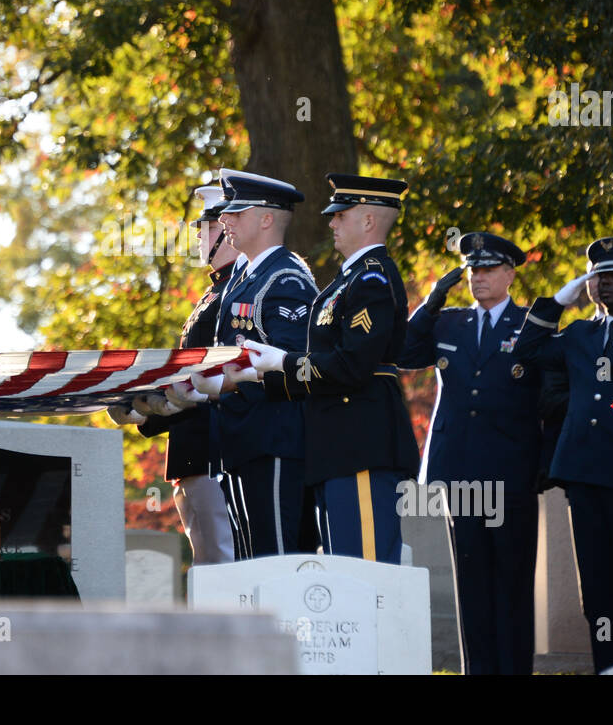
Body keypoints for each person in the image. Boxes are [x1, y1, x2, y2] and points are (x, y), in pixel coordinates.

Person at [230, 174, 418, 563]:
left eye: (341, 215)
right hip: (337, 446)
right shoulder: (348, 279)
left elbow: (352, 365)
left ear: (368, 221)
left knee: (367, 572)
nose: (331, 222)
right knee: (344, 575)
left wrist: (282, 362)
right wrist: (260, 374)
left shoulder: (371, 278)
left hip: (362, 442)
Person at [513, 237, 613, 673]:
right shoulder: (580, 333)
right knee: (598, 592)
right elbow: (524, 353)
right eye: (598, 275)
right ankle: (611, 667)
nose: (602, 284)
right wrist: (561, 298)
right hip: (583, 474)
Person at [399, 232, 543, 674]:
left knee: (512, 582)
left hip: (510, 471)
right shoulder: (450, 323)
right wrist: (431, 302)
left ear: (509, 273)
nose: (478, 278)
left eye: (487, 269)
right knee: (472, 582)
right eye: (472, 270)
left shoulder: (529, 325)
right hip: (460, 469)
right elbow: (405, 352)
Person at [182, 169, 316, 558]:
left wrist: (225, 382)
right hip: (239, 440)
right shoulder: (244, 276)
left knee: (276, 560)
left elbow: (289, 366)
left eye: (236, 213)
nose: (224, 220)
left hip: (273, 440)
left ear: (267, 218)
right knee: (250, 564)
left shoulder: (286, 280)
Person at [109, 184, 239, 565]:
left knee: (225, 565)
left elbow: (215, 379)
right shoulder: (212, 295)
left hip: (216, 454)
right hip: (193, 455)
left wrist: (152, 407)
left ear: (227, 230)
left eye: (207, 228)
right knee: (210, 565)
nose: (199, 236)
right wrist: (143, 410)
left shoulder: (234, 295)